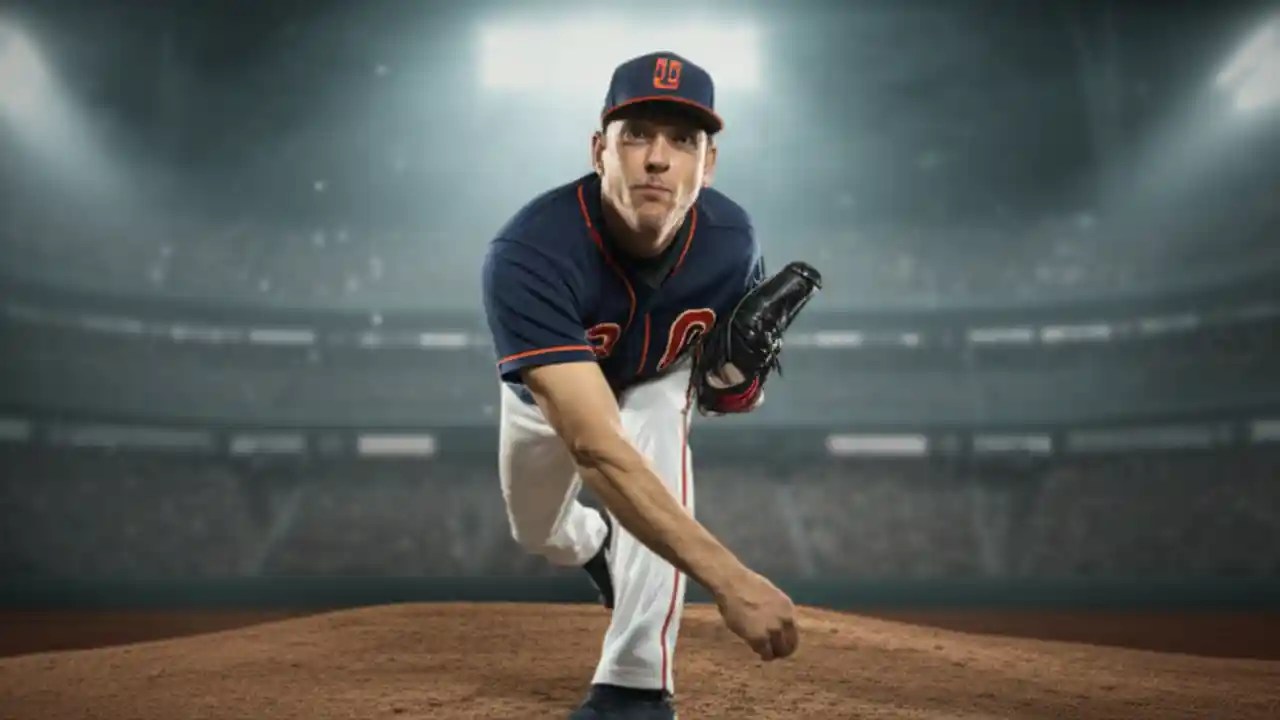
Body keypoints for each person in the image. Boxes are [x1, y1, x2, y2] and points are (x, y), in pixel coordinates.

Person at [480, 51, 817, 719]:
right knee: (537, 530)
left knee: (660, 429)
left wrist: (736, 384)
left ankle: (634, 683)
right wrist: (730, 580)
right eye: (636, 135)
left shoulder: (732, 241)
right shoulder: (529, 253)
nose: (658, 159)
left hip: (652, 380)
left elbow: (727, 388)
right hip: (550, 403)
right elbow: (595, 446)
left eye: (683, 140)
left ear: (708, 164)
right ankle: (591, 544)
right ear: (599, 151)